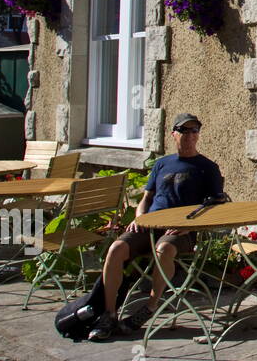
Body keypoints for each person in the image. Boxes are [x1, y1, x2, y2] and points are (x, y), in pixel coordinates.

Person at [89, 113, 224, 341]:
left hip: (181, 230)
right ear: (173, 135)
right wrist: (139, 216)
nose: (189, 135)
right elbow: (147, 197)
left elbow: (214, 206)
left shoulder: (207, 167)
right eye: (184, 131)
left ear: (198, 135)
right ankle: (109, 314)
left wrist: (189, 227)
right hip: (149, 225)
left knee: (164, 249)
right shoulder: (162, 164)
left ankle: (149, 307)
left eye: (194, 130)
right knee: (116, 249)